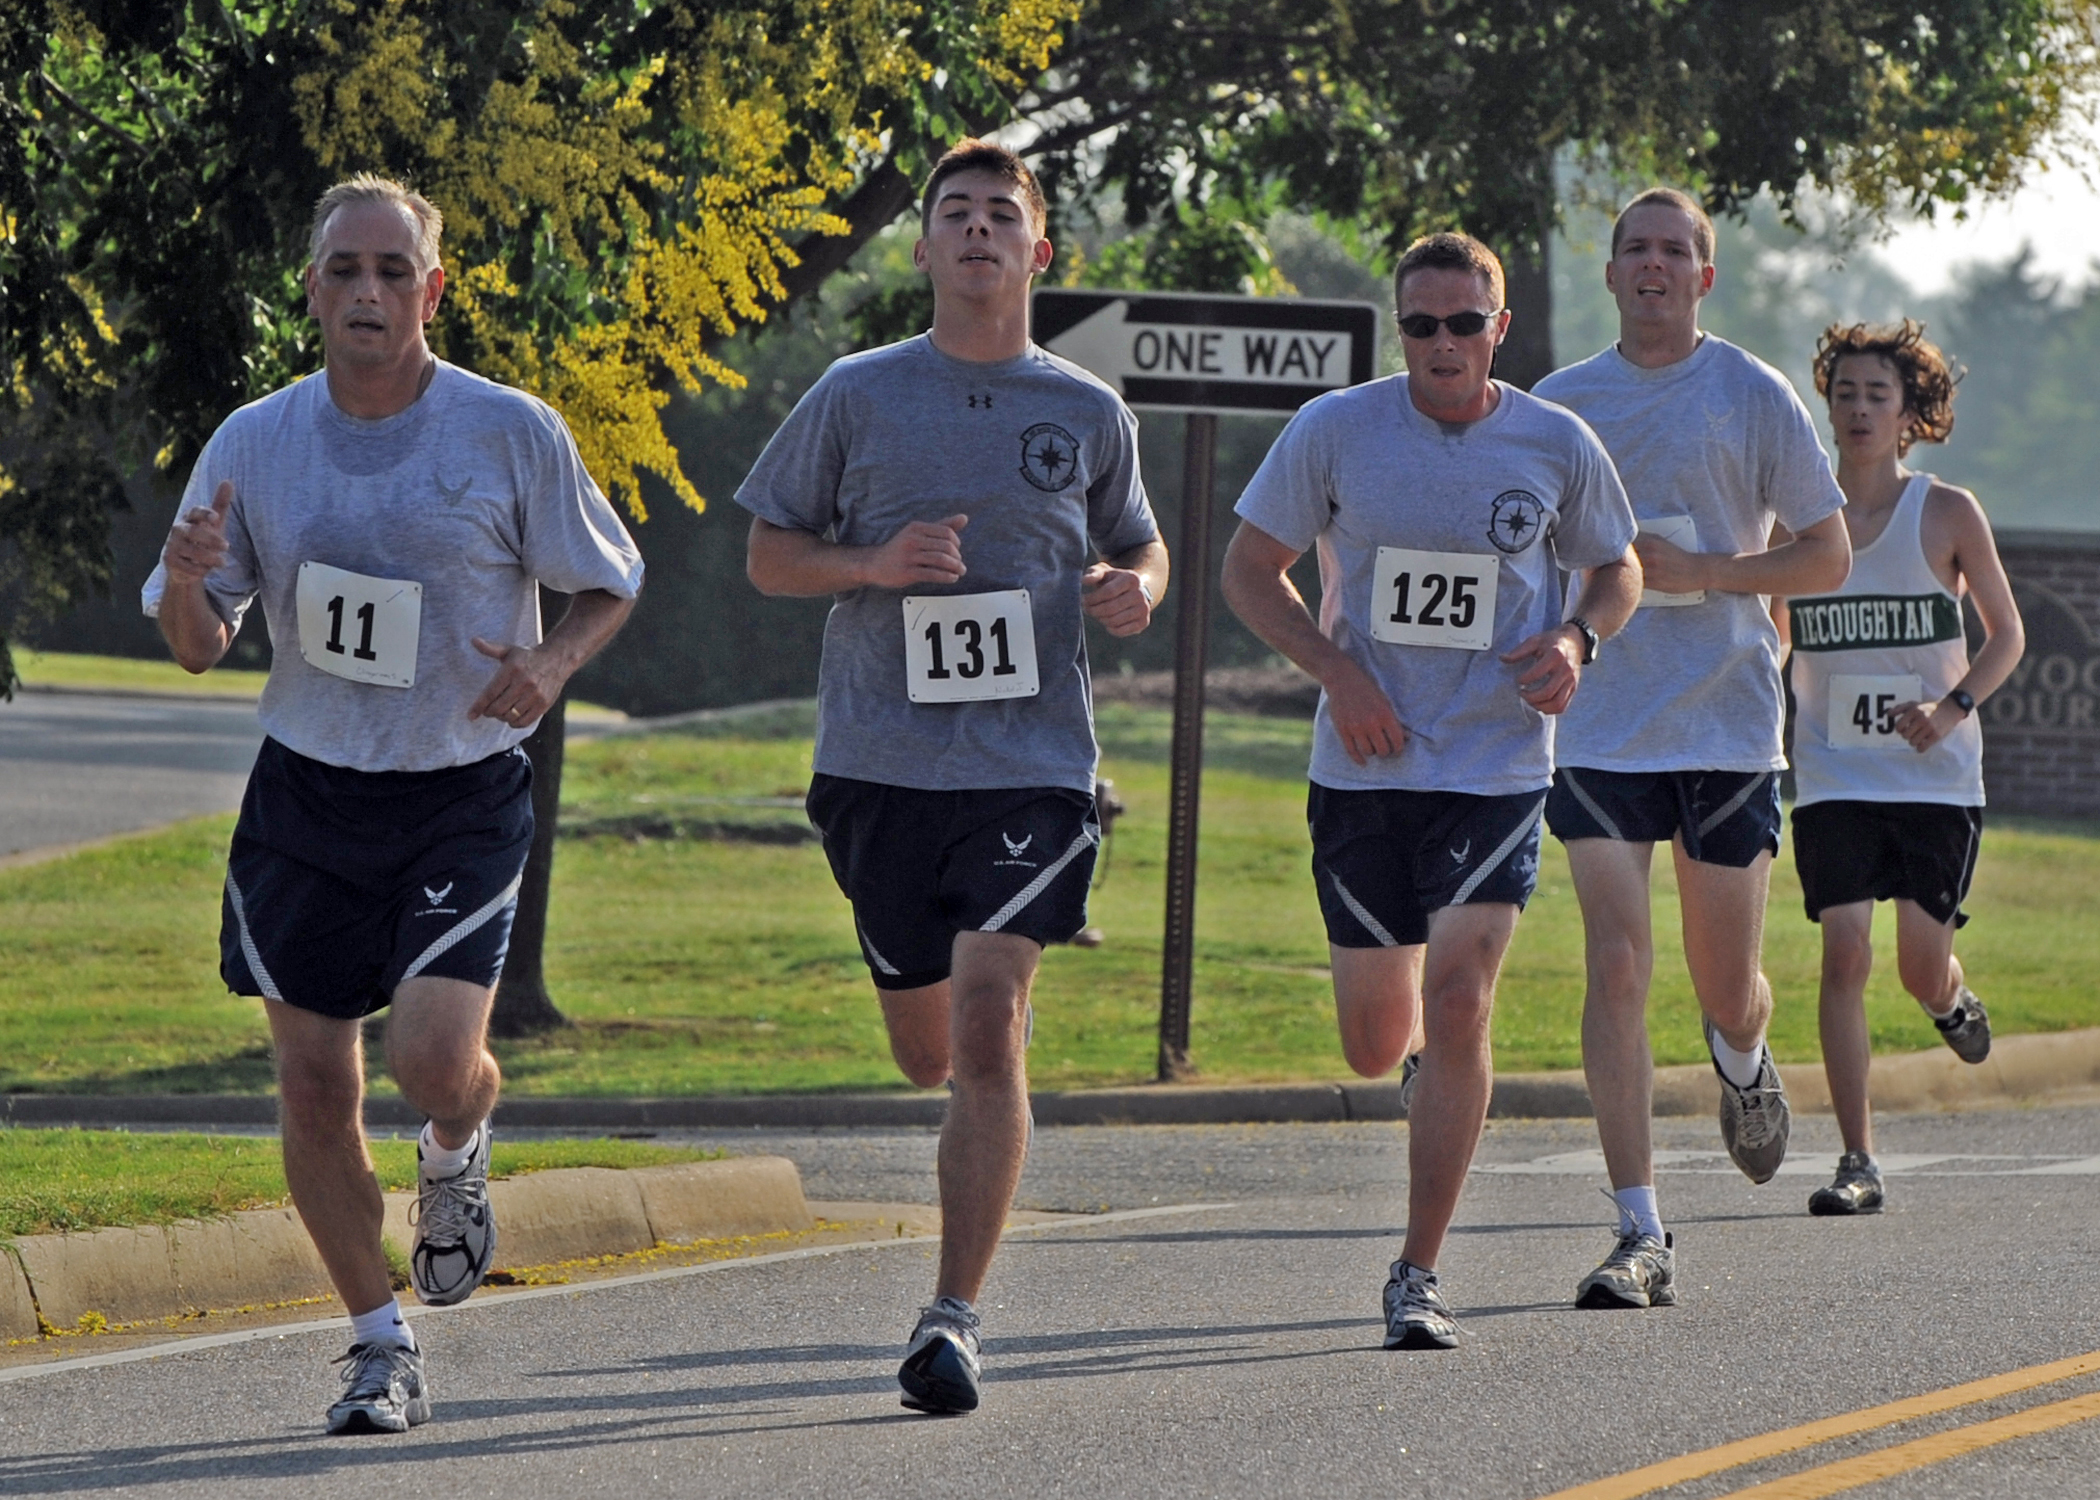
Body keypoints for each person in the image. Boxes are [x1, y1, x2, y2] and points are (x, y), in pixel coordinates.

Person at [144, 175, 642, 1433]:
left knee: (430, 1060)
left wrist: (547, 665)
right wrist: (190, 585)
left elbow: (609, 583)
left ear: (432, 288)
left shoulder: (508, 431)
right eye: (341, 271)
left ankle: (457, 1145)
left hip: (458, 790)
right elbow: (197, 643)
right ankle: (379, 1342)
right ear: (310, 291)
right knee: (314, 1085)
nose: (365, 292)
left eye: (389, 270)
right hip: (306, 791)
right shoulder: (255, 438)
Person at [736, 139, 1166, 1413]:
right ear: (921, 250)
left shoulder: (1086, 411)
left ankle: (953, 1317)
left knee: (989, 1021)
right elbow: (769, 556)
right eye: (954, 216)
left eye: (1000, 216)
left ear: (1039, 252)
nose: (977, 233)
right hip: (878, 771)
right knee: (926, 1052)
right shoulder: (857, 395)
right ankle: (954, 1265)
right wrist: (872, 564)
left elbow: (1140, 545)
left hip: (1033, 768)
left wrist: (1129, 591)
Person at [1222, 232, 1642, 1350]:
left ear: (1500, 327)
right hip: (1363, 766)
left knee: (1462, 1003)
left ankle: (1417, 1271)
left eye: (1466, 322)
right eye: (1422, 324)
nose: (1444, 343)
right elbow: (1247, 572)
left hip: (1495, 762)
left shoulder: (1558, 441)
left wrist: (1576, 635)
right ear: (1396, 328)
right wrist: (1338, 671)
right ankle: (1422, 1069)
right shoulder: (1336, 430)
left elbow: (1618, 565)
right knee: (1376, 1041)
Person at [1532, 187, 1852, 1311]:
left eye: (1676, 251)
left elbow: (1826, 557)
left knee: (1729, 986)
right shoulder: (1559, 406)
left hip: (1725, 724)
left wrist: (1707, 574)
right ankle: (1639, 1227)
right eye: (1636, 250)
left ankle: (1743, 1058)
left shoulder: (1750, 394)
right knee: (1616, 964)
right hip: (1601, 725)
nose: (1655, 266)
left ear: (1704, 278)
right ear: (1611, 272)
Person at [1784, 319, 2024, 1215]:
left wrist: (1951, 707)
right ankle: (1857, 1158)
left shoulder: (1949, 512)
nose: (1856, 409)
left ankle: (1952, 1002)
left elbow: (2007, 636)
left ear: (1909, 412)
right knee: (1844, 952)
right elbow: (1770, 636)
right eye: (1844, 392)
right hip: (1835, 774)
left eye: (1876, 395)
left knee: (1920, 968)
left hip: (1934, 779)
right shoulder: (1800, 522)